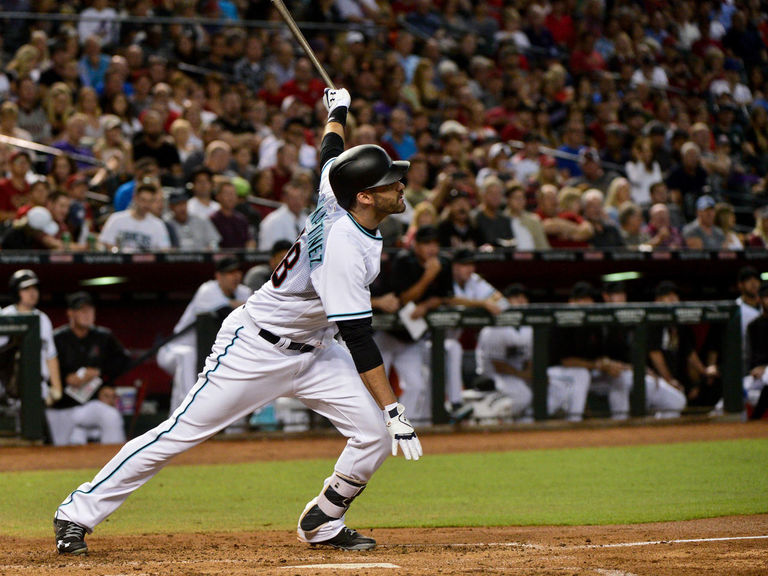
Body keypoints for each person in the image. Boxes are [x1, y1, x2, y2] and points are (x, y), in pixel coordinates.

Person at [54, 88, 422, 556]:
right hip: (257, 348)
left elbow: (330, 153)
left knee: (370, 435)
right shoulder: (344, 248)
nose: (400, 186)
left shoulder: (338, 191)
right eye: (391, 182)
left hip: (315, 350)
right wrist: (395, 410)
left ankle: (323, 520)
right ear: (366, 196)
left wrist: (338, 111)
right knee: (176, 435)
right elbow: (358, 336)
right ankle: (75, 512)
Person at [373, 225, 468, 424]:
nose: (431, 249)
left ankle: (404, 428)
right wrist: (428, 277)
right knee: (374, 388)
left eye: (434, 244)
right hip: (387, 335)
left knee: (416, 385)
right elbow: (403, 298)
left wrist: (427, 304)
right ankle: (373, 430)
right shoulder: (403, 261)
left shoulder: (443, 263)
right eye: (426, 244)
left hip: (411, 339)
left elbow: (445, 298)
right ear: (416, 245)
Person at [157, 256, 251, 415]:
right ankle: (188, 411)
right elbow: (229, 311)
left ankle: (177, 414)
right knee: (188, 355)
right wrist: (237, 305)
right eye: (229, 273)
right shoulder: (208, 289)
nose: (235, 276)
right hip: (173, 350)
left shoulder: (243, 291)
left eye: (237, 272)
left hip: (202, 354)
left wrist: (236, 305)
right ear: (218, 276)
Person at [49, 292, 131, 446]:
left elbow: (124, 361)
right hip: (62, 405)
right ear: (70, 313)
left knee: (110, 416)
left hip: (89, 404)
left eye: (90, 310)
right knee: (58, 446)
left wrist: (100, 374)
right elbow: (44, 369)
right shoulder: (57, 338)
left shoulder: (103, 336)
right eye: (82, 310)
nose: (87, 315)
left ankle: (116, 464)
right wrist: (64, 377)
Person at [0, 270, 62, 426]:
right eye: (26, 289)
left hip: (36, 387)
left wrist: (56, 387)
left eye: (34, 289)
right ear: (17, 292)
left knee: (37, 437)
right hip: (8, 388)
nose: (32, 293)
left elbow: (51, 355)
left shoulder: (43, 318)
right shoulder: (5, 316)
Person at [648, 281, 720, 407]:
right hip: (652, 377)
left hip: (674, 378)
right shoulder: (652, 322)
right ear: (657, 300)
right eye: (668, 296)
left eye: (675, 296)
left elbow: (689, 352)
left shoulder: (678, 323)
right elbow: (655, 354)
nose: (673, 299)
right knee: (676, 401)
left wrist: (704, 372)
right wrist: (669, 380)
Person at [99, 182, 171, 252]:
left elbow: (164, 249)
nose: (146, 204)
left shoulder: (158, 224)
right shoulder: (116, 218)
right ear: (135, 198)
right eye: (143, 200)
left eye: (150, 201)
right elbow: (105, 243)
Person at [744, 283, 768, 420]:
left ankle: (755, 420)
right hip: (756, 376)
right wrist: (753, 369)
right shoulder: (754, 325)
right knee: (735, 393)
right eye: (767, 297)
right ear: (760, 299)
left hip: (766, 372)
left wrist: (764, 368)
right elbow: (750, 355)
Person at [735, 266, 763, 373]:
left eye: (756, 279)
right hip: (740, 361)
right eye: (748, 280)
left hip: (761, 362)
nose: (754, 283)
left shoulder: (764, 307)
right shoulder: (735, 308)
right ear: (740, 285)